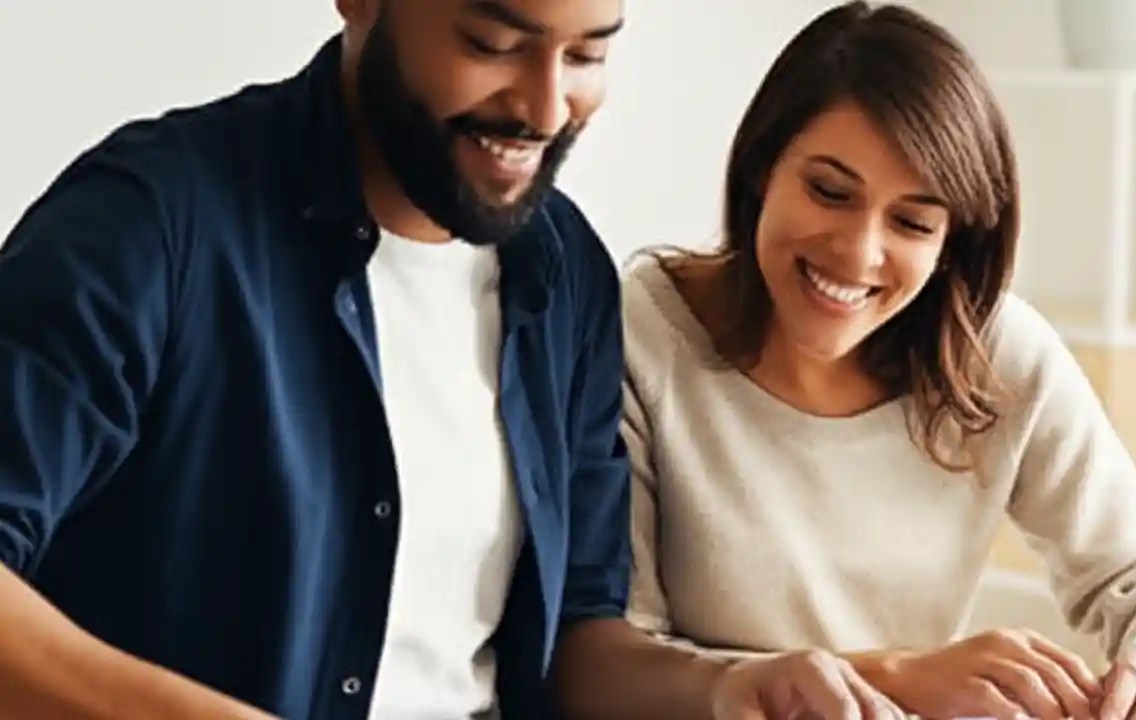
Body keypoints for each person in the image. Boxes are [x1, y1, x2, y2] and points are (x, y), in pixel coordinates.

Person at [0, 0, 908, 718]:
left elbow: (577, 642)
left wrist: (727, 690)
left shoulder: (566, 271)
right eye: (493, 41)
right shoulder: (150, 223)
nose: (547, 108)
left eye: (588, 55)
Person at [621, 3, 1136, 720]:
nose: (858, 254)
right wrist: (897, 676)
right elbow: (610, 666)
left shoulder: (997, 355)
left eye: (913, 222)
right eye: (829, 191)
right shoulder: (644, 336)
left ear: (952, 242)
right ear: (763, 167)